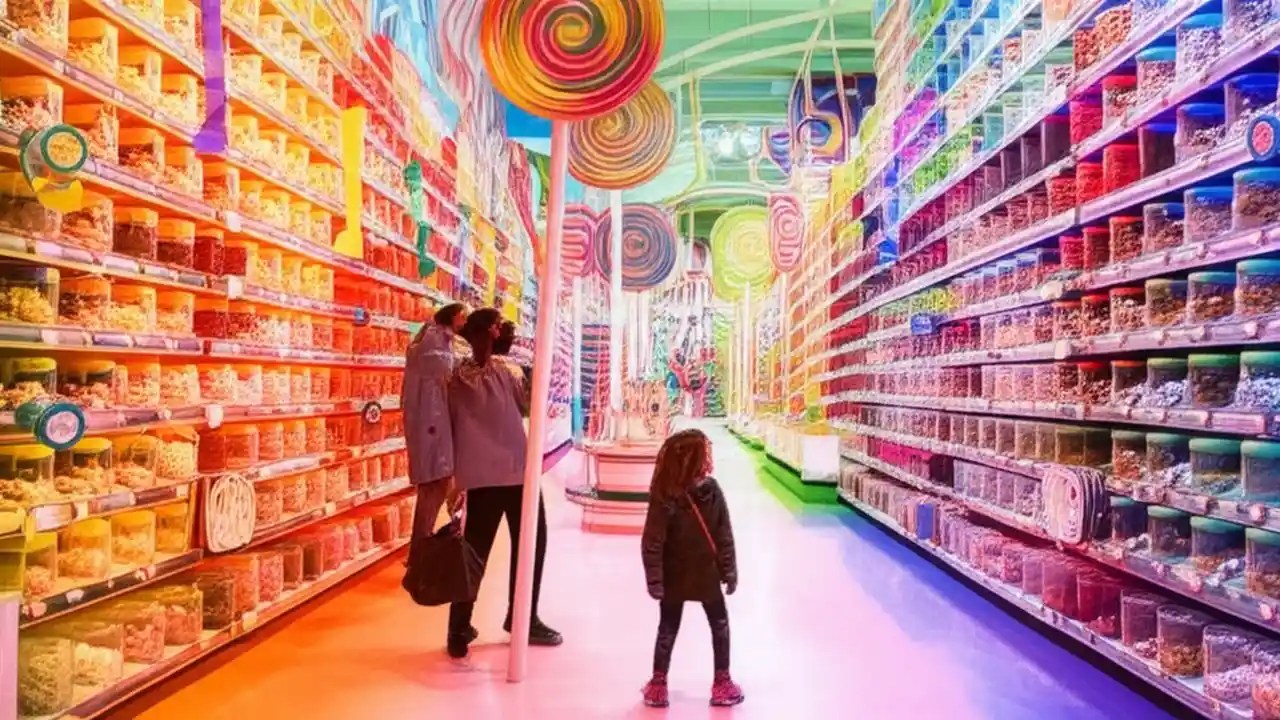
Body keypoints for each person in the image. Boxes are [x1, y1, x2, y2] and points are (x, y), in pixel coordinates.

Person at [445, 308, 562, 658]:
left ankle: (458, 627)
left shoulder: (456, 376)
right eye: (500, 326)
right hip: (516, 473)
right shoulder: (508, 372)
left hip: (480, 477)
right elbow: (528, 406)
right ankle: (523, 617)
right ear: (493, 333)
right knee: (531, 546)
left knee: (475, 553)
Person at [639, 429, 743, 708]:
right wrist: (729, 571)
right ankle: (722, 683)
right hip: (706, 575)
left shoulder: (664, 494)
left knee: (668, 628)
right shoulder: (712, 491)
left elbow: (652, 540)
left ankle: (658, 684)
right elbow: (723, 535)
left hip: (674, 575)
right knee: (719, 625)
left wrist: (655, 581)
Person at [403, 302, 468, 540]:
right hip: (430, 426)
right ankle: (420, 549)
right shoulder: (434, 339)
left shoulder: (440, 338)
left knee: (436, 487)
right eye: (462, 317)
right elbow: (444, 368)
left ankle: (422, 546)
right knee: (432, 488)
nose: (465, 322)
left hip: (432, 425)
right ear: (451, 317)